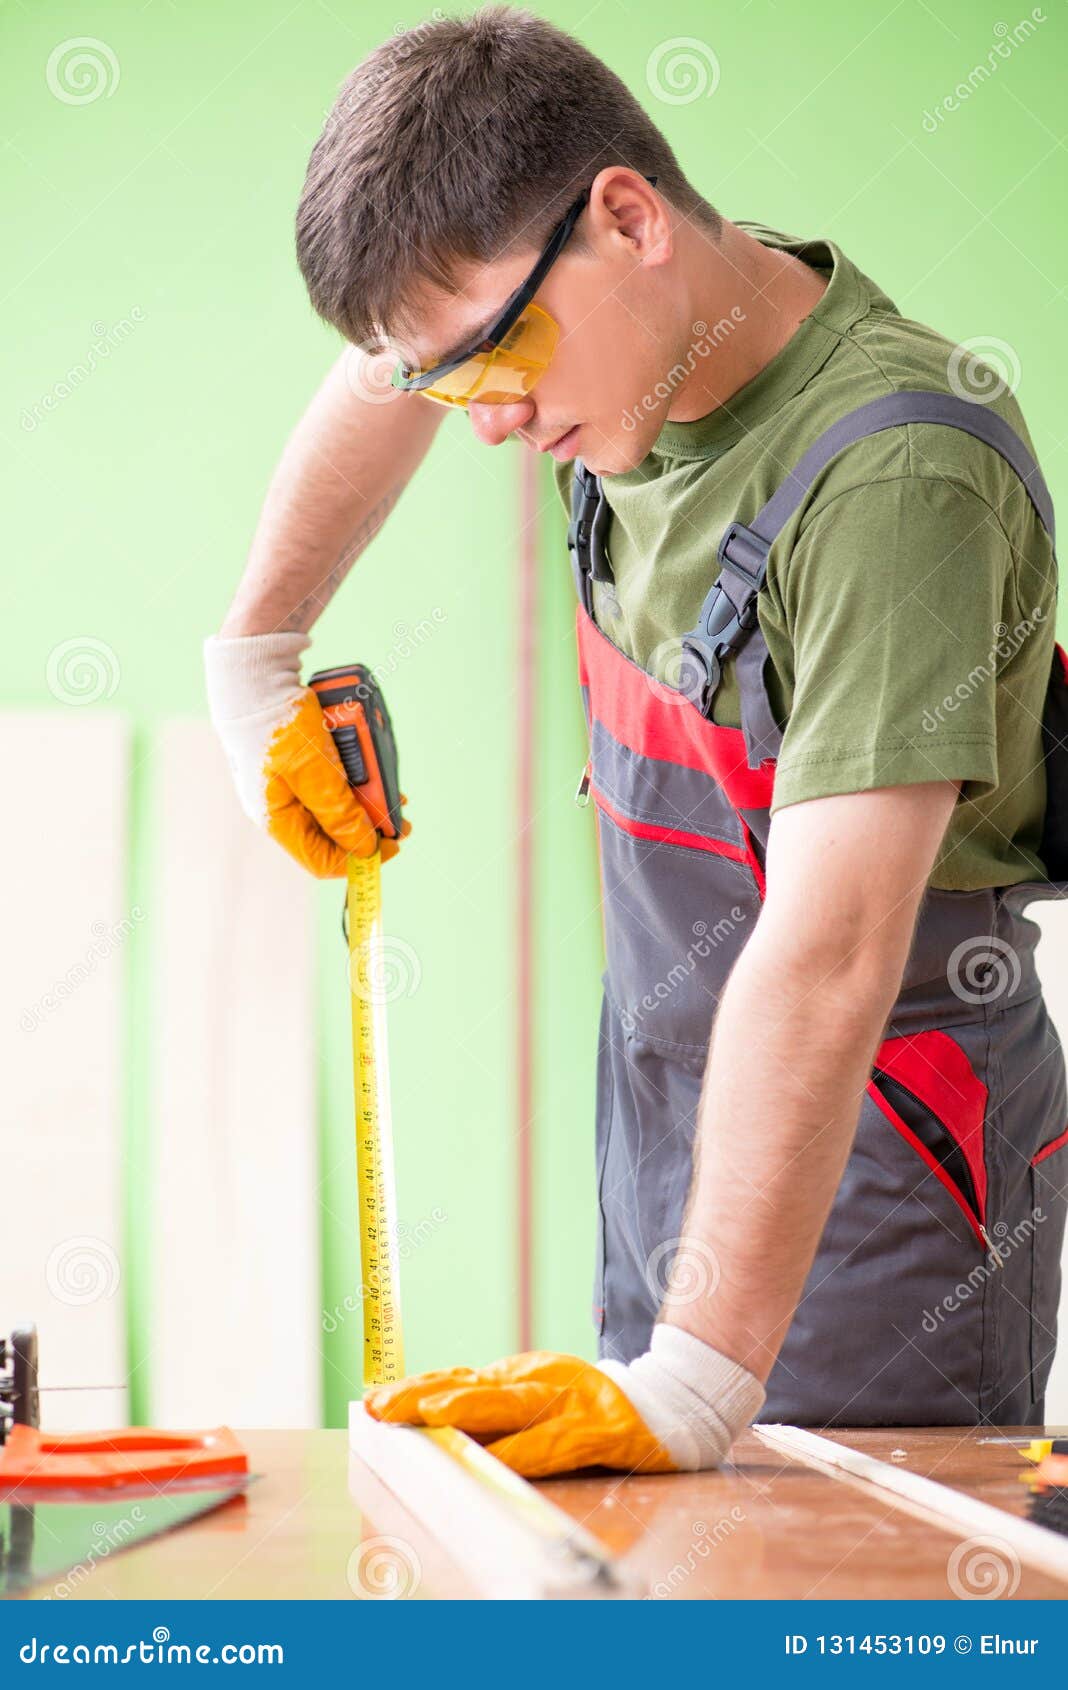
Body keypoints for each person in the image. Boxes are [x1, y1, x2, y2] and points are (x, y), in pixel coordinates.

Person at [205, 7, 1068, 1478]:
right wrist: (256, 650)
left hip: (889, 1171)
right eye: (448, 383)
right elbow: (406, 357)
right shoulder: (627, 361)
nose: (483, 423)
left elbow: (835, 944)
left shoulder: (894, 477)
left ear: (627, 217)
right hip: (675, 1117)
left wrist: (695, 1373)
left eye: (493, 360)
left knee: (846, 1608)